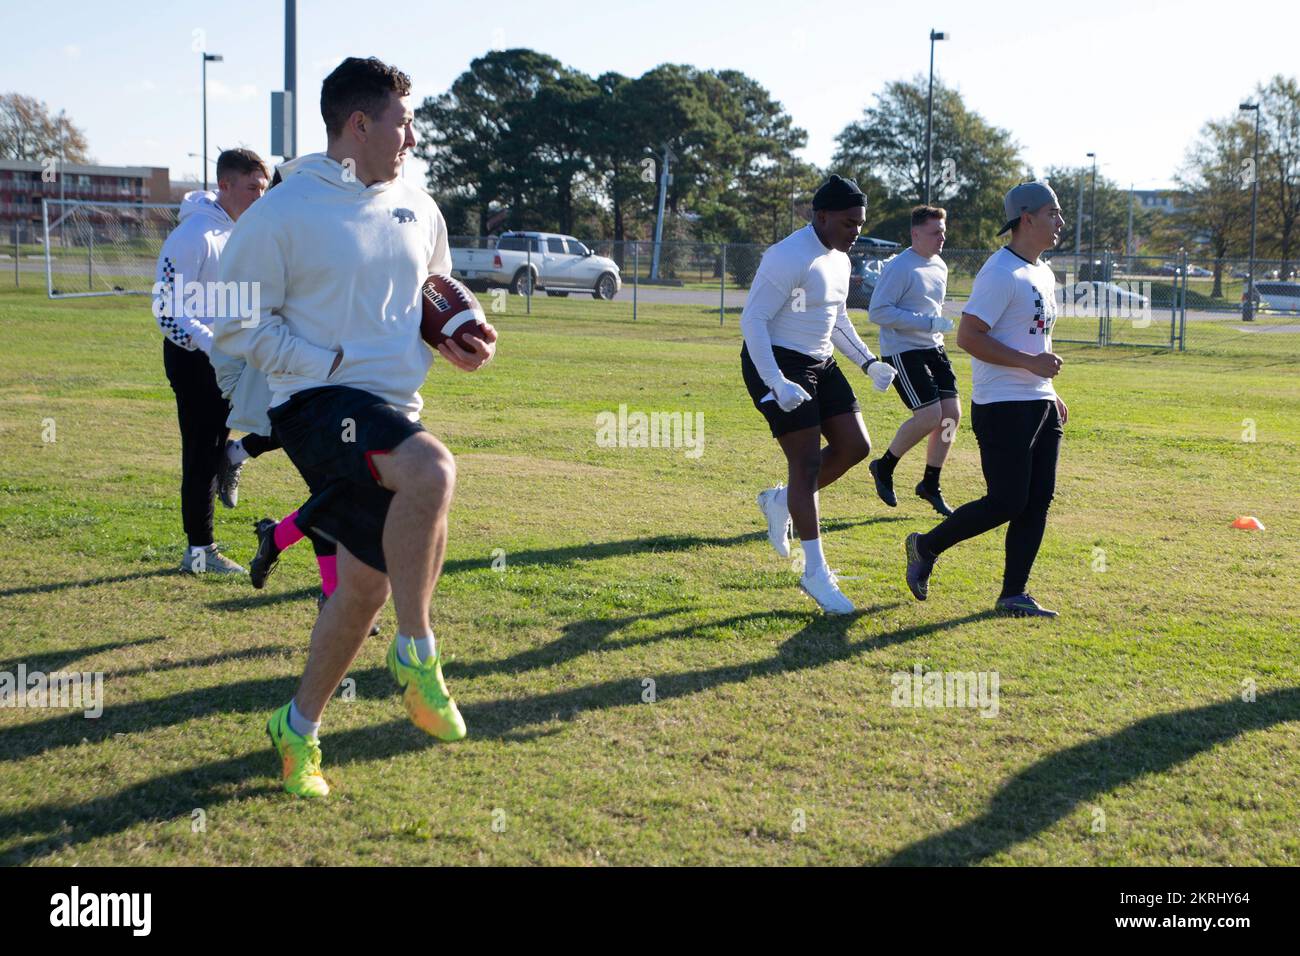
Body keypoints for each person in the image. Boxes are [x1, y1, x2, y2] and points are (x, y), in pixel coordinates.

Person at [215, 56, 496, 798]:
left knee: (363, 588)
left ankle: (297, 727)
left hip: (391, 409)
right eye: (403, 120)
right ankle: (417, 653)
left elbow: (431, 293)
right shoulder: (282, 212)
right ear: (359, 124)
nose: (413, 134)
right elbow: (232, 319)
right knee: (433, 471)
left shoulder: (421, 207)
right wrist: (317, 357)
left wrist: (455, 340)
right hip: (314, 404)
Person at [904, 182, 1068, 618]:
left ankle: (1013, 593)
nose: (1060, 222)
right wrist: (1029, 366)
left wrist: (1050, 391)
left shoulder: (1043, 271)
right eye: (1053, 213)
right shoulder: (1000, 273)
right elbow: (968, 336)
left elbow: (1035, 338)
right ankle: (925, 545)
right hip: (1002, 405)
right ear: (1027, 219)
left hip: (1039, 402)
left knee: (1037, 501)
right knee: (1006, 500)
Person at [742, 174, 897, 615]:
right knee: (806, 462)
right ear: (822, 216)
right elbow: (752, 321)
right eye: (849, 223)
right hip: (776, 362)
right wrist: (775, 381)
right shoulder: (787, 256)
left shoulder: (841, 258)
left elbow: (836, 318)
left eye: (861, 223)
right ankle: (814, 572)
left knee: (855, 446)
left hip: (820, 361)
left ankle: (779, 500)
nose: (857, 231)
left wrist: (869, 362)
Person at [153, 148, 269, 574]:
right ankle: (199, 553)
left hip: (233, 355)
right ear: (225, 186)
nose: (261, 196)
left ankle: (235, 455)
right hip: (195, 360)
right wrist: (211, 344)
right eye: (253, 187)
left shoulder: (239, 232)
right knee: (201, 452)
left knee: (283, 415)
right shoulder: (193, 235)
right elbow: (168, 311)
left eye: (263, 187)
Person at [866, 205, 960, 516]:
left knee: (951, 416)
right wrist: (925, 322)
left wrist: (937, 325)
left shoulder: (941, 266)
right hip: (903, 351)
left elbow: (930, 307)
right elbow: (878, 311)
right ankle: (884, 467)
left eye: (943, 232)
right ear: (915, 234)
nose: (941, 238)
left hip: (933, 347)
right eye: (935, 233)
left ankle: (930, 484)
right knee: (929, 416)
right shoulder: (900, 267)